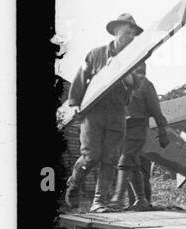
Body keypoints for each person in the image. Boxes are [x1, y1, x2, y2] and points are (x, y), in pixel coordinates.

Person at [62, 12, 144, 212]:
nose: (131, 37)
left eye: (134, 34)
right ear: (116, 32)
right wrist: (74, 103)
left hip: (117, 112)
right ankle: (73, 184)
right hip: (93, 112)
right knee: (91, 156)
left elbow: (136, 83)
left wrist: (121, 71)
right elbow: (81, 77)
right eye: (127, 32)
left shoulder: (138, 58)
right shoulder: (95, 54)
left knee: (110, 158)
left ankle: (99, 201)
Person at [116, 62, 170, 210]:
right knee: (130, 167)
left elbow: (156, 111)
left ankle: (144, 201)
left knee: (136, 166)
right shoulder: (120, 85)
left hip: (139, 128)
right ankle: (136, 203)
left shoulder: (146, 85)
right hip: (123, 131)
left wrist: (163, 132)